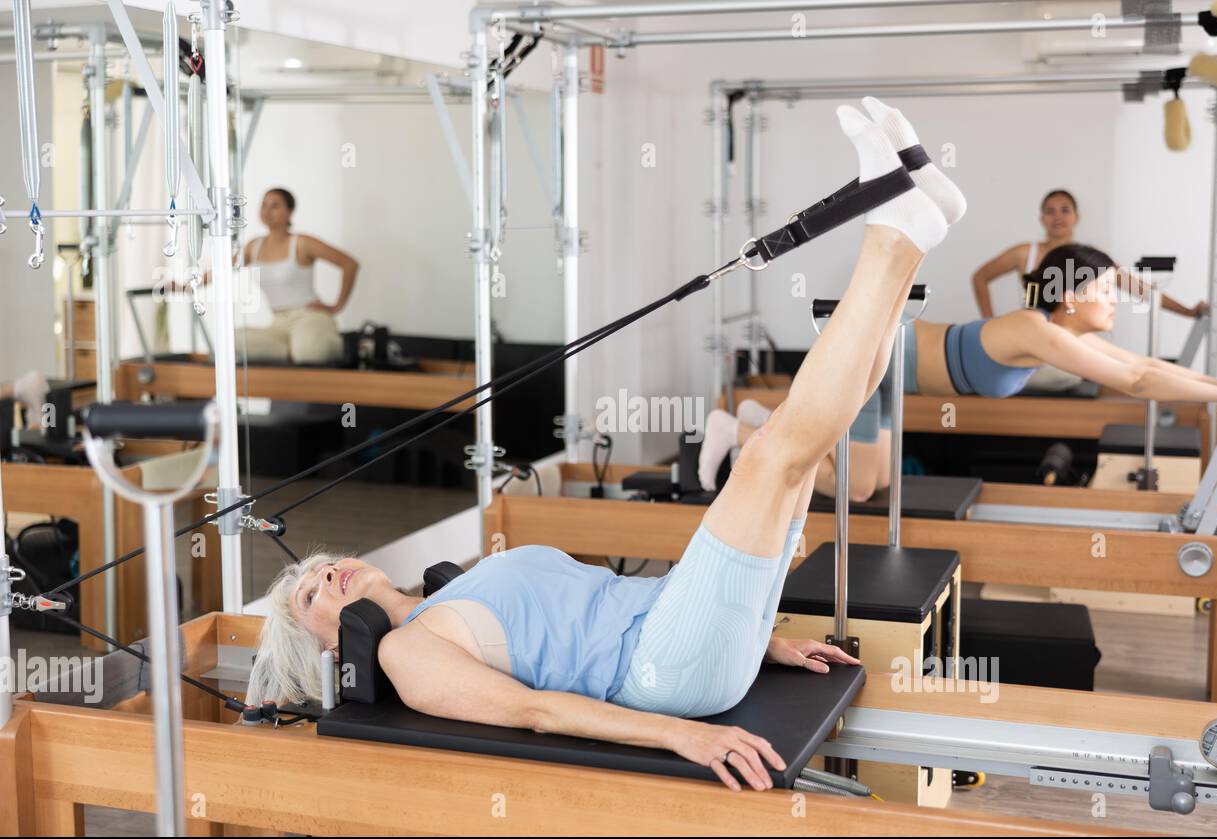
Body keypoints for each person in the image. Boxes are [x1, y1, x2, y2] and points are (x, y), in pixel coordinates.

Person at [246, 98, 963, 791]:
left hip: (678, 625)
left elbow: (605, 601)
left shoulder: (448, 593)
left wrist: (759, 643)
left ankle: (910, 217)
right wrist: (682, 733)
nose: (328, 572)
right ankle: (896, 225)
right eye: (310, 592)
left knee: (807, 443)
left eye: (322, 565)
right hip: (664, 670)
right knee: (775, 447)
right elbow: (536, 711)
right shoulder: (406, 653)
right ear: (328, 647)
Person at [700, 241, 1217, 501]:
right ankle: (742, 431)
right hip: (871, 357)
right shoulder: (1034, 329)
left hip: (893, 373)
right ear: (1069, 296)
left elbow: (1143, 367)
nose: (1115, 303)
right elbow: (1139, 383)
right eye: (1105, 291)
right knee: (854, 488)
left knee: (874, 483)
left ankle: (760, 420)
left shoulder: (1055, 333)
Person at [970, 189, 1207, 321]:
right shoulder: (1024, 253)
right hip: (1034, 336)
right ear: (1042, 219)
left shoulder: (1090, 260)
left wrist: (1187, 311)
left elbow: (1138, 288)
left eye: (1065, 210)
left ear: (1077, 217)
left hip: (1072, 342)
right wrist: (988, 323)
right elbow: (980, 277)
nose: (1058, 217)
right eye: (1050, 211)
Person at [237, 188, 359, 365]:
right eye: (264, 205)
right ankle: (296, 349)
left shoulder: (302, 242)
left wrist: (337, 306)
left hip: (309, 317)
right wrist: (186, 286)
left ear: (290, 211)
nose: (267, 211)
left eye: (275, 206)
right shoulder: (253, 246)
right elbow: (221, 269)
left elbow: (350, 264)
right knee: (232, 341)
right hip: (278, 324)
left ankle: (325, 345)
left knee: (309, 352)